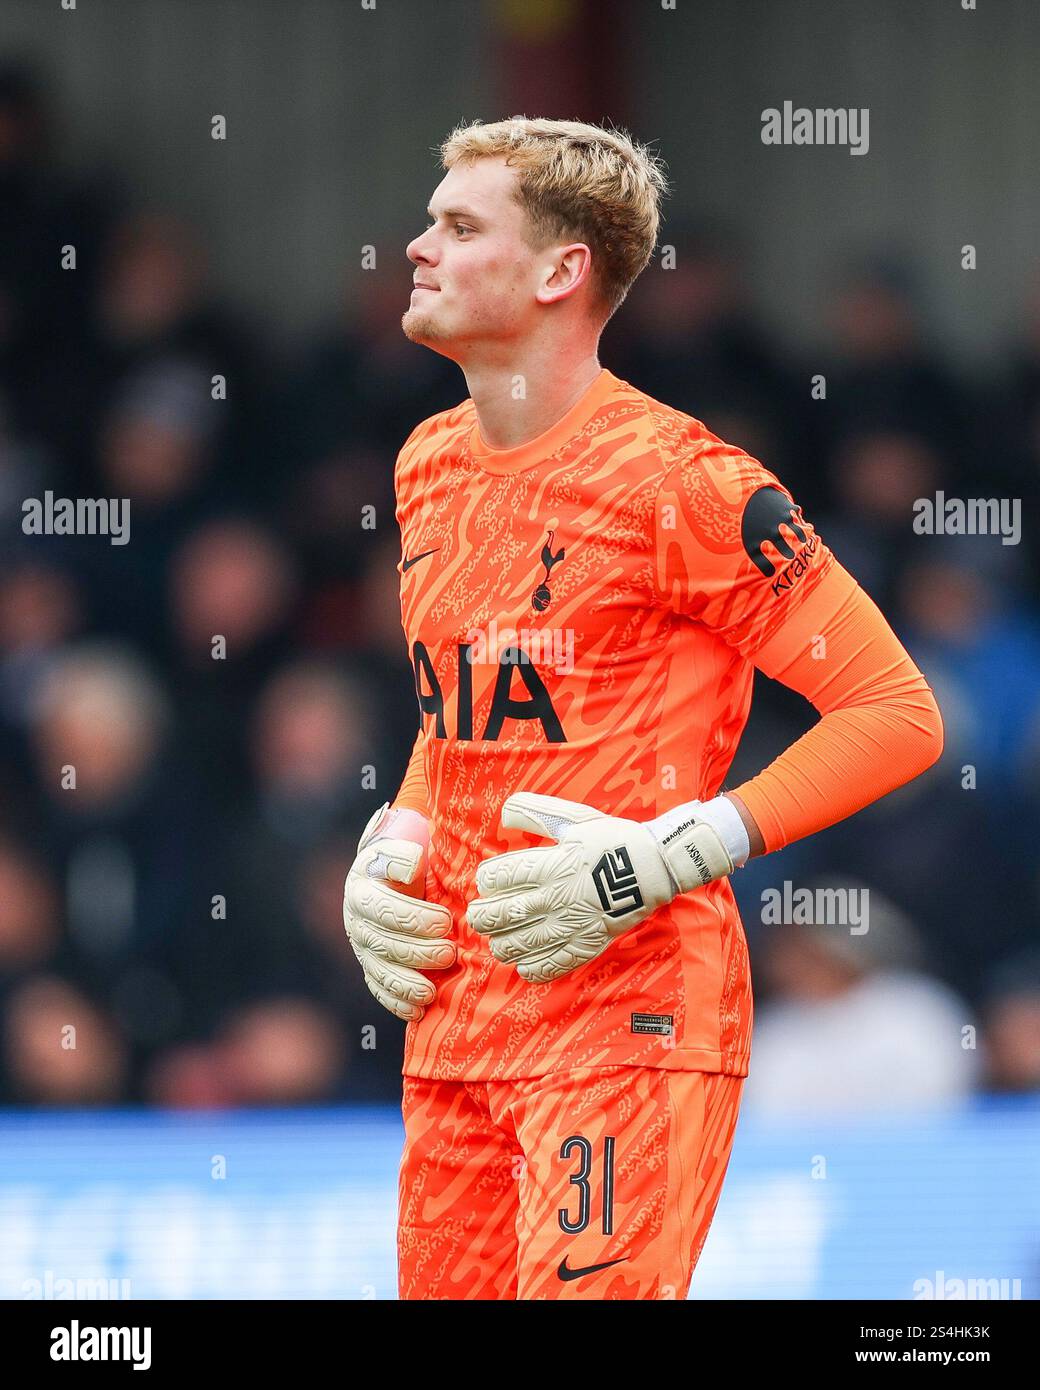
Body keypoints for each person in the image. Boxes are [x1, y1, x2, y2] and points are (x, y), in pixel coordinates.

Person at [342, 116, 944, 1301]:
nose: (415, 247)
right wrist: (393, 837)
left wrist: (676, 853)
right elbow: (461, 719)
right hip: (458, 1015)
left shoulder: (686, 484)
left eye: (458, 227)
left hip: (629, 1011)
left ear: (561, 271)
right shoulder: (425, 460)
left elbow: (893, 709)